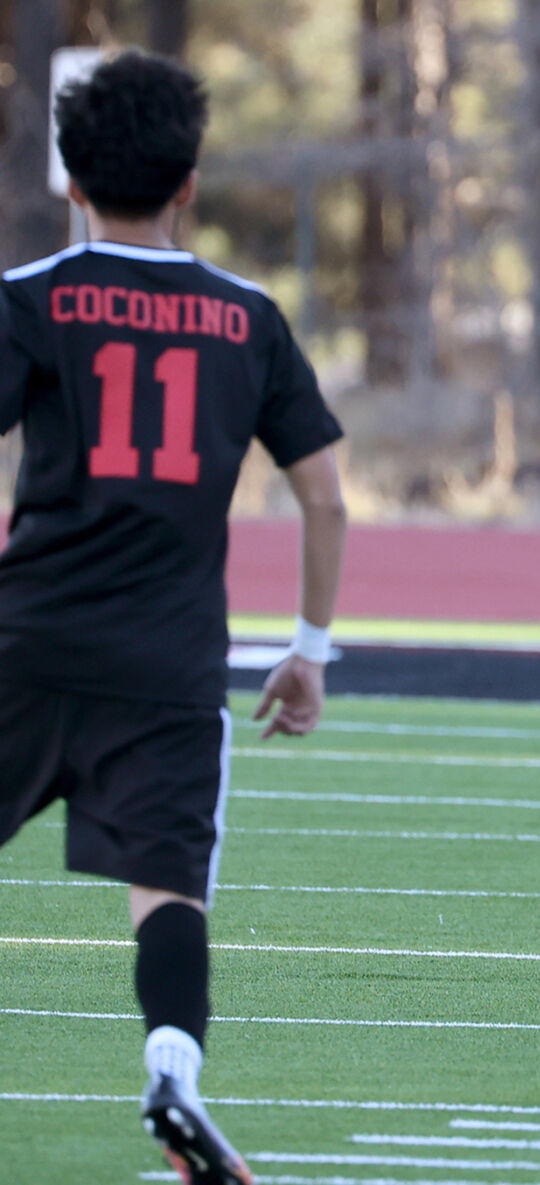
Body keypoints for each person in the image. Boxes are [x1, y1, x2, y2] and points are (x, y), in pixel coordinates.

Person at [0, 51, 346, 1182]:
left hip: (29, 640)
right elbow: (325, 492)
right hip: (169, 663)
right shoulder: (247, 317)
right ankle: (172, 1072)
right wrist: (307, 650)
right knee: (168, 891)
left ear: (71, 180)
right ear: (189, 181)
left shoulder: (32, 299)